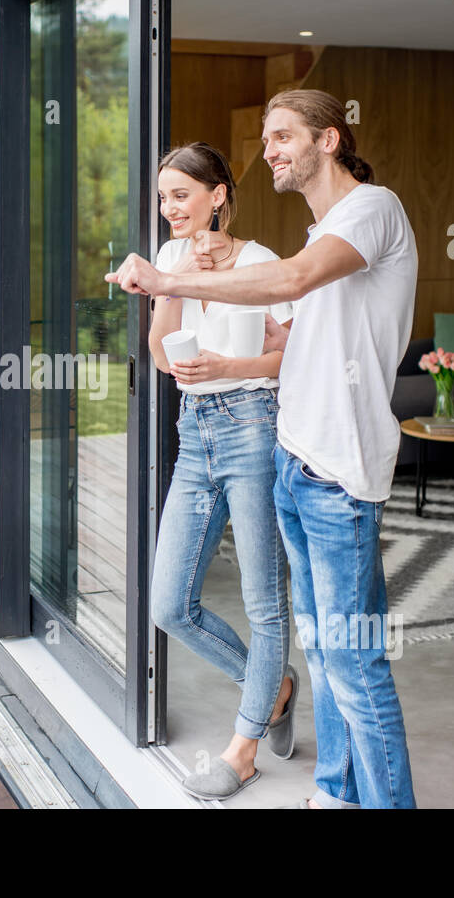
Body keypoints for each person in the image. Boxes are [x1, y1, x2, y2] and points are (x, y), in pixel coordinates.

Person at [107, 90, 418, 809]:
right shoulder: (322, 230)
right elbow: (308, 330)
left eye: (282, 136)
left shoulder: (372, 209)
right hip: (294, 459)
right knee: (326, 654)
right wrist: (280, 338)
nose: (270, 149)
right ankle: (336, 792)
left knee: (353, 661)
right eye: (266, 137)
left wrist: (171, 279)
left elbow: (296, 279)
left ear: (329, 140)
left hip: (337, 467)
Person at [138, 141, 298, 802]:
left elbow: (292, 354)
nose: (170, 208)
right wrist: (174, 279)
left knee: (264, 603)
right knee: (170, 605)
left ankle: (244, 750)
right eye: (164, 197)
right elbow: (159, 354)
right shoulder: (170, 258)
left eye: (181, 194)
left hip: (252, 427)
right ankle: (274, 686)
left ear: (218, 195)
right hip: (194, 431)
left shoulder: (261, 263)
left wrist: (230, 367)